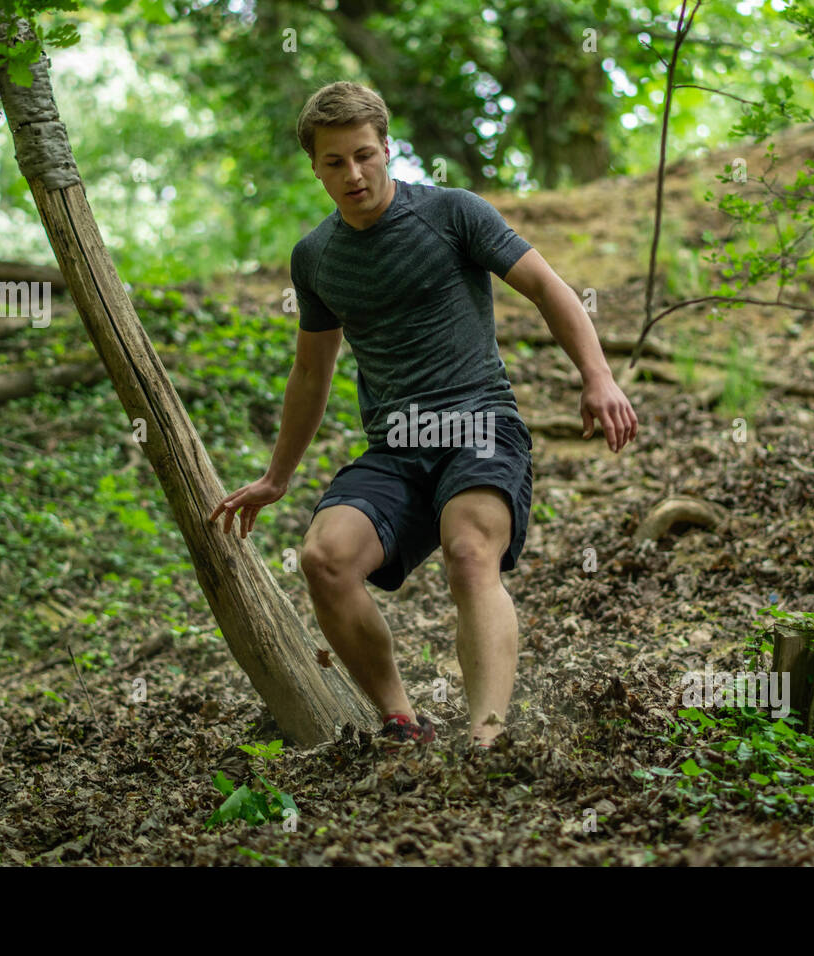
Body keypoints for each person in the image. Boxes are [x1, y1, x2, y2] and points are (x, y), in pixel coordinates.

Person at [209, 82, 637, 749]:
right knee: (323, 556)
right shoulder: (316, 258)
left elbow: (547, 286)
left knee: (469, 551)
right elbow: (310, 371)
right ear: (316, 168)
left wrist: (598, 377)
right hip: (397, 448)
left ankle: (487, 740)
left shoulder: (453, 213)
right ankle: (401, 721)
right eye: (334, 162)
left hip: (480, 426)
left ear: (386, 148)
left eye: (363, 155)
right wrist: (276, 476)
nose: (353, 174)